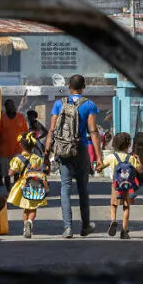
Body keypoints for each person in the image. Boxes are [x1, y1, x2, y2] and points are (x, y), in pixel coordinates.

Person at [45, 74, 103, 239]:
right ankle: (85, 226)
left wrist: (47, 153)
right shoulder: (89, 105)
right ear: (83, 87)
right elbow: (93, 131)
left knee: (65, 188)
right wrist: (99, 158)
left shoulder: (59, 104)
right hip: (81, 149)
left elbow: (52, 130)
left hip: (63, 150)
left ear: (69, 86)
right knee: (83, 189)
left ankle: (67, 228)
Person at [98, 132, 142, 240]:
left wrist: (98, 164)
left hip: (116, 186)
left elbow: (99, 168)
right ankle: (124, 231)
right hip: (128, 187)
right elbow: (140, 170)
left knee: (114, 205)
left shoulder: (111, 157)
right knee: (126, 207)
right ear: (128, 145)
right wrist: (138, 159)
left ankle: (113, 220)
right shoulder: (131, 158)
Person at [7, 132, 49, 239]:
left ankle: (25, 225)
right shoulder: (37, 158)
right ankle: (30, 222)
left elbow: (11, 173)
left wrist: (11, 170)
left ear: (21, 145)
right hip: (35, 186)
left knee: (25, 208)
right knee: (33, 208)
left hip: (24, 186)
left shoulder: (18, 159)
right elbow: (44, 170)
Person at [0, 99, 29, 188]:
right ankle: (9, 190)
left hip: (18, 149)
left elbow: (25, 132)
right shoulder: (2, 118)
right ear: (6, 107)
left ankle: (15, 189)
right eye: (9, 105)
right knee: (7, 173)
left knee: (17, 172)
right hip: (4, 150)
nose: (11, 107)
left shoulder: (21, 117)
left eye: (12, 105)